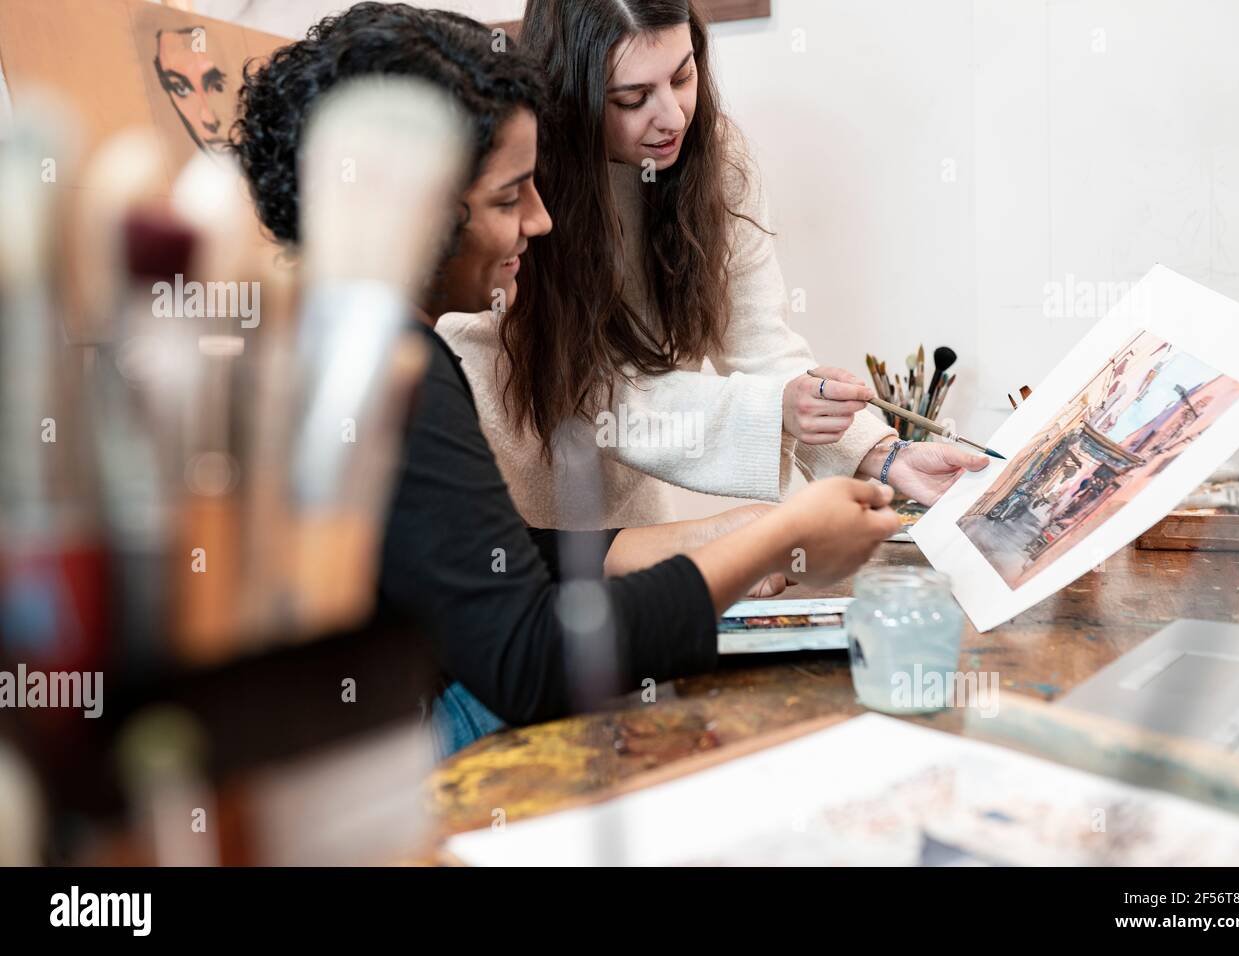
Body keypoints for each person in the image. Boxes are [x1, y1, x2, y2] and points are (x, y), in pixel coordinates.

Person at [231, 2, 899, 756]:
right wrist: (774, 539)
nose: (541, 221)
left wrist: (719, 536)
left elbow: (495, 556)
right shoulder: (390, 373)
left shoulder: (358, 337)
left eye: (682, 78)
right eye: (510, 197)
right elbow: (532, 660)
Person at [436, 0, 988, 532]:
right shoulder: (515, 184)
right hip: (508, 518)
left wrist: (884, 454)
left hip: (633, 523)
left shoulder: (713, 157)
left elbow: (761, 345)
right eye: (632, 99)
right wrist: (775, 410)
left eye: (682, 76)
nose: (672, 117)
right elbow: (581, 391)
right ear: (568, 94)